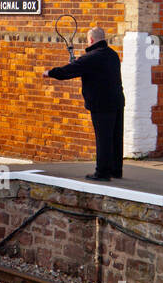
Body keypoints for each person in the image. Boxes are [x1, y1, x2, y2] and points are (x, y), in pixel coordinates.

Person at [44, 26, 125, 182]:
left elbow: (68, 71)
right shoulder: (112, 55)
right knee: (115, 137)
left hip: (101, 104)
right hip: (117, 101)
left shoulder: (91, 58)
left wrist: (50, 73)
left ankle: (102, 173)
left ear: (91, 40)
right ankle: (116, 170)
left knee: (103, 138)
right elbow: (87, 69)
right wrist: (79, 63)